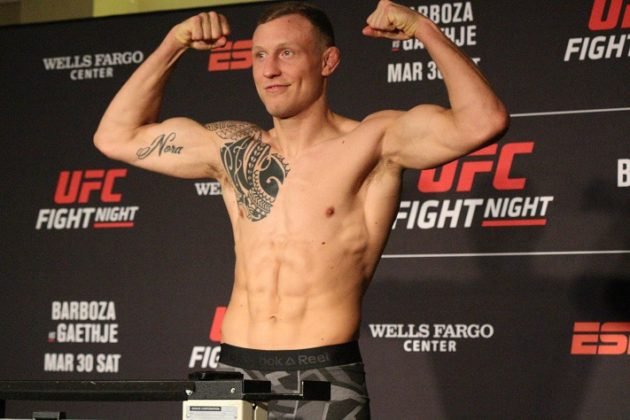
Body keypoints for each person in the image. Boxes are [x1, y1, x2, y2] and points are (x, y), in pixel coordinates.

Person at [94, 0, 508, 417]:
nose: (269, 70)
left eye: (286, 53)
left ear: (328, 61)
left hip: (321, 375)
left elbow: (483, 121)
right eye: (259, 55)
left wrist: (422, 28)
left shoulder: (373, 142)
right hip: (231, 370)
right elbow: (115, 136)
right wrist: (174, 43)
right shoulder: (233, 148)